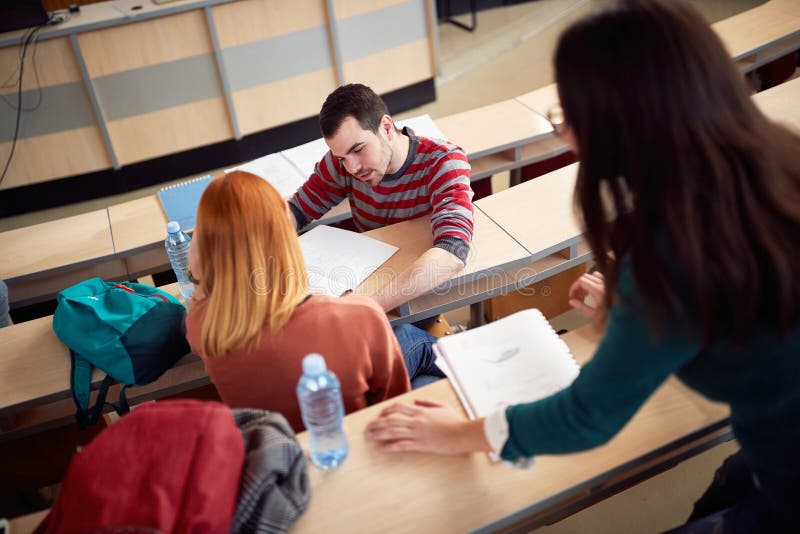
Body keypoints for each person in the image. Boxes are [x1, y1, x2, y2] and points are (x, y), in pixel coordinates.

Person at [365, 0, 800, 531]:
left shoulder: (676, 247)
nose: (565, 136)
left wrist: (458, 432)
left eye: (571, 117)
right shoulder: (780, 159)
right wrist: (640, 315)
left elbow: (587, 416)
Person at [185, 171, 417, 432]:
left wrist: (200, 274)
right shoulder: (362, 316)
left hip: (284, 453)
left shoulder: (202, 327)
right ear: (286, 229)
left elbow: (203, 294)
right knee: (416, 341)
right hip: (356, 444)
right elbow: (396, 405)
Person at [288, 83, 474, 313]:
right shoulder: (343, 163)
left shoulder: (443, 162)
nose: (352, 167)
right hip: (362, 284)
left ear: (386, 128)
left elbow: (452, 253)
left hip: (413, 294)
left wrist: (365, 306)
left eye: (358, 149)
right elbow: (297, 210)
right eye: (343, 157)